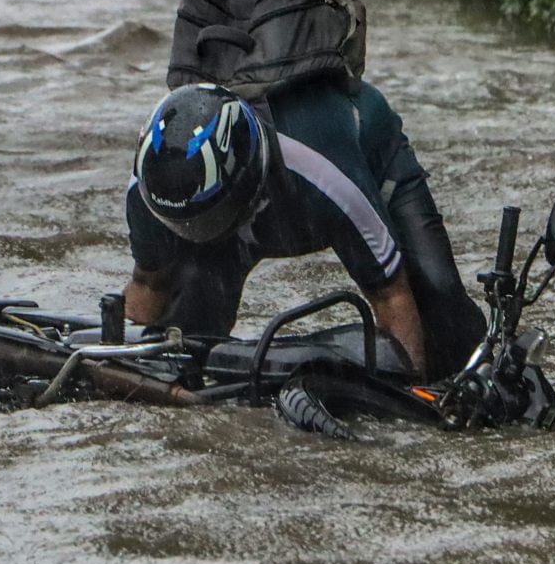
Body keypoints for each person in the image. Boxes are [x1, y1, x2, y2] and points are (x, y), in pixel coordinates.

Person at [124, 80, 488, 382]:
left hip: (362, 167)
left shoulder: (323, 176)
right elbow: (148, 285)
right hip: (234, 210)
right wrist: (122, 360)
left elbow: (390, 295)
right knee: (187, 335)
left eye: (201, 224)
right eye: (183, 225)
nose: (194, 234)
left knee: (438, 299)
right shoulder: (149, 192)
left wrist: (411, 401)